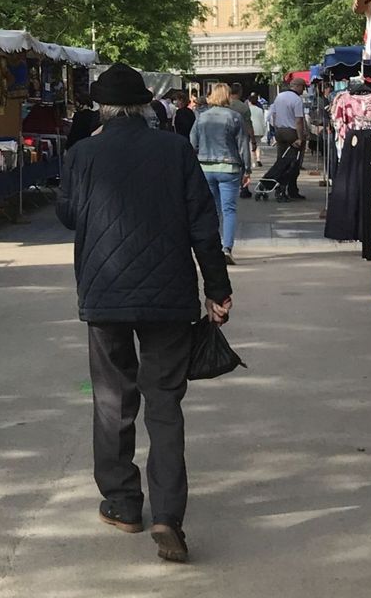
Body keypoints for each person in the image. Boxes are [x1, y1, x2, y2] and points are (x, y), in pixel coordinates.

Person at [57, 63, 232, 565]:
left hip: (104, 294)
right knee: (164, 403)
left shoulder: (82, 153)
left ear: (102, 109)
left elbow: (68, 216)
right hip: (169, 296)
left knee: (113, 399)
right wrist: (217, 289)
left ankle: (123, 503)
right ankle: (168, 515)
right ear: (142, 105)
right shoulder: (175, 149)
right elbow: (203, 225)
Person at [188, 83, 252, 262]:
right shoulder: (235, 117)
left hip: (206, 167)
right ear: (227, 96)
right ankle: (227, 248)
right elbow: (243, 145)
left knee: (212, 209)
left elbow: (192, 142)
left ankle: (212, 248)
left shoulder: (201, 117)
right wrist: (247, 169)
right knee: (229, 209)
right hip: (229, 167)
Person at [270, 79, 309, 200]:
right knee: (294, 163)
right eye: (303, 87)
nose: (304, 90)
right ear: (297, 86)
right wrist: (300, 138)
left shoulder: (279, 97)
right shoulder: (296, 100)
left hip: (280, 131)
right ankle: (289, 189)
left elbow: (274, 115)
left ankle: (279, 187)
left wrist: (277, 129)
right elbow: (298, 121)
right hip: (292, 132)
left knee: (281, 161)